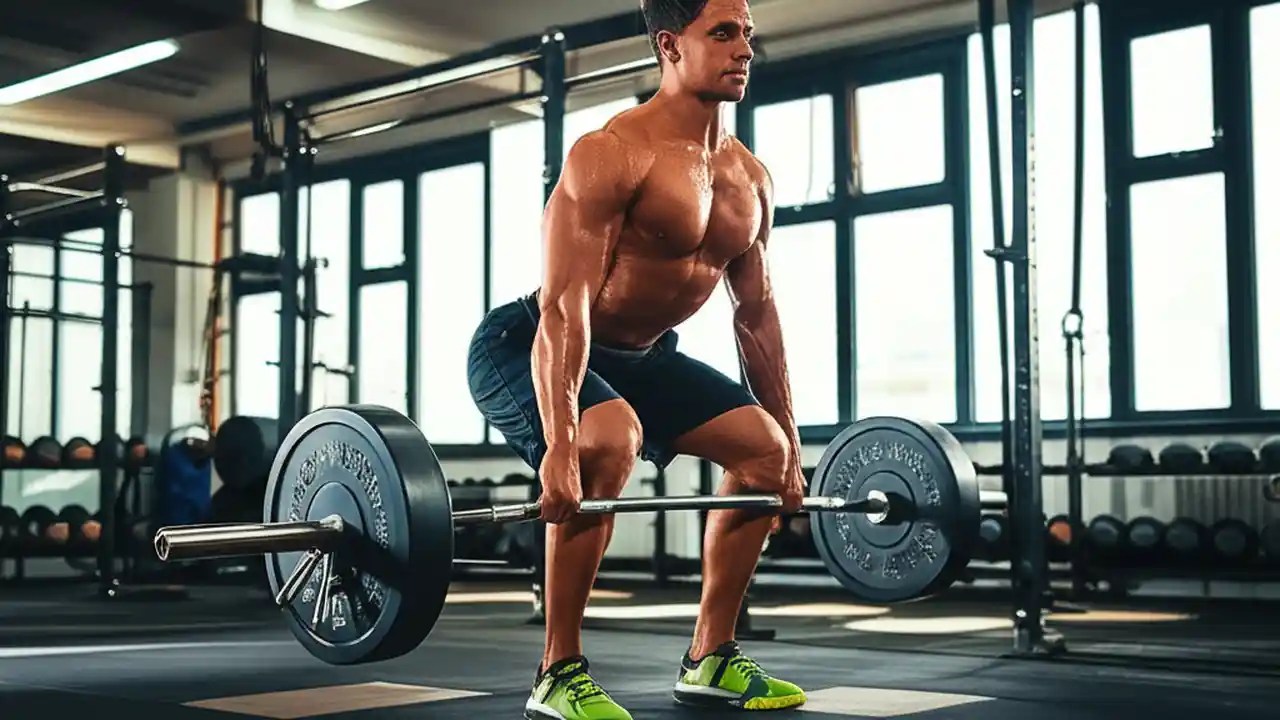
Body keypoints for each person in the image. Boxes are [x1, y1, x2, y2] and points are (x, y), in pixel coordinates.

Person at [467, 1, 806, 717]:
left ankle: (710, 656)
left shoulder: (750, 180)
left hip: (643, 358)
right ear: (669, 46)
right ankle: (557, 671)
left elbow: (757, 317)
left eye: (748, 33)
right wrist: (562, 442)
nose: (744, 48)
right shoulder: (611, 153)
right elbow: (564, 308)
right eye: (722, 33)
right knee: (606, 437)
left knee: (763, 454)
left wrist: (793, 443)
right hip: (526, 343)